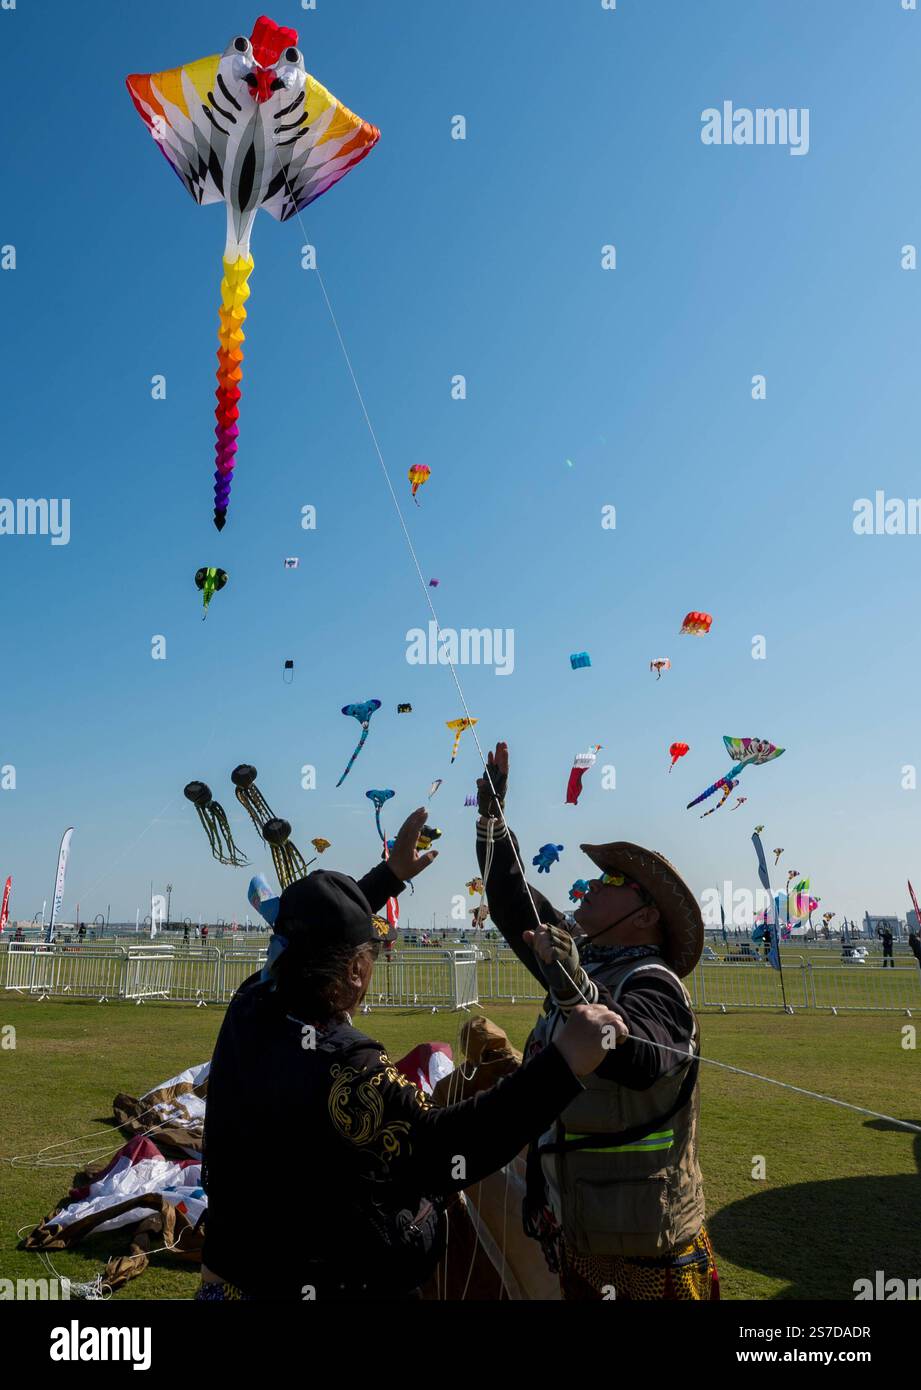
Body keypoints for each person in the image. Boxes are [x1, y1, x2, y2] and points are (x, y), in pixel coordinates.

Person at [200, 807, 622, 1301]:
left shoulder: (252, 1002)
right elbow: (442, 1146)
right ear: (357, 971)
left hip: (230, 1274)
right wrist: (562, 1063)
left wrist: (390, 876)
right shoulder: (347, 1066)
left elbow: (323, 925)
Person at [475, 742, 716, 1301]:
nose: (592, 886)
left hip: (647, 1253)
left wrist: (569, 982)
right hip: (582, 1235)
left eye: (611, 883)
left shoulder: (655, 983)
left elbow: (641, 1056)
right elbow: (512, 901)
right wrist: (491, 816)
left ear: (646, 916)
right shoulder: (592, 961)